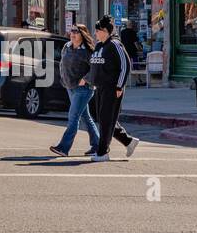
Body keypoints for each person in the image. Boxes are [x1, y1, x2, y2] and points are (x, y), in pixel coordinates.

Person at [88, 16, 140, 161]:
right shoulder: (99, 46)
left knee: (105, 119)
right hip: (99, 88)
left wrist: (119, 85)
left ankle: (102, 152)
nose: (96, 33)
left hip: (112, 88)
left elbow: (125, 65)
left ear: (105, 31)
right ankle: (128, 141)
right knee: (99, 116)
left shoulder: (115, 44)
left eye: (98, 30)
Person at [49, 24, 100, 157]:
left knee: (73, 117)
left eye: (76, 32)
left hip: (84, 89)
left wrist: (86, 79)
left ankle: (63, 148)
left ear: (82, 34)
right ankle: (97, 145)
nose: (73, 34)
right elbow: (62, 64)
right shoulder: (67, 47)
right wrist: (64, 79)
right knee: (86, 117)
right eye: (71, 31)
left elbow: (96, 69)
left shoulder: (88, 51)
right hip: (70, 87)